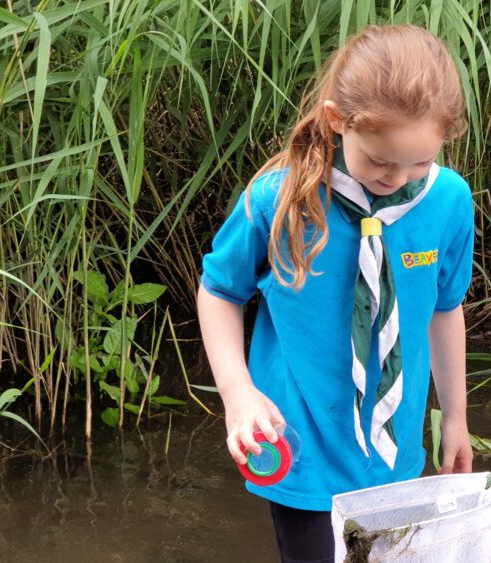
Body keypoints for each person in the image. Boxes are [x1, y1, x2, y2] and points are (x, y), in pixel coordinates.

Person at [197, 25, 475, 562]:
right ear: (337, 120)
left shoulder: (448, 201)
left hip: (396, 459)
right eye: (379, 161)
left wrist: (456, 418)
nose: (398, 177)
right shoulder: (278, 197)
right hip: (301, 452)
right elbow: (219, 292)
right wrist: (237, 395)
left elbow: (445, 310)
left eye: (419, 161)